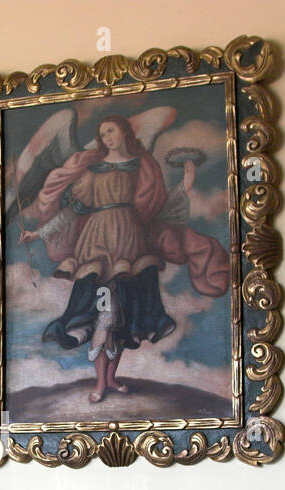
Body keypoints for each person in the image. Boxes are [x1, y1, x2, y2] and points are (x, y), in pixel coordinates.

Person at [22, 115, 192, 403]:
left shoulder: (141, 166)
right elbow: (72, 211)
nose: (107, 138)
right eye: (102, 134)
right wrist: (39, 234)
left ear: (124, 132)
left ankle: (110, 379)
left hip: (131, 240)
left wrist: (186, 185)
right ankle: (101, 382)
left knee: (124, 316)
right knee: (102, 314)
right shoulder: (93, 171)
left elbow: (157, 206)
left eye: (111, 131)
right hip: (97, 241)